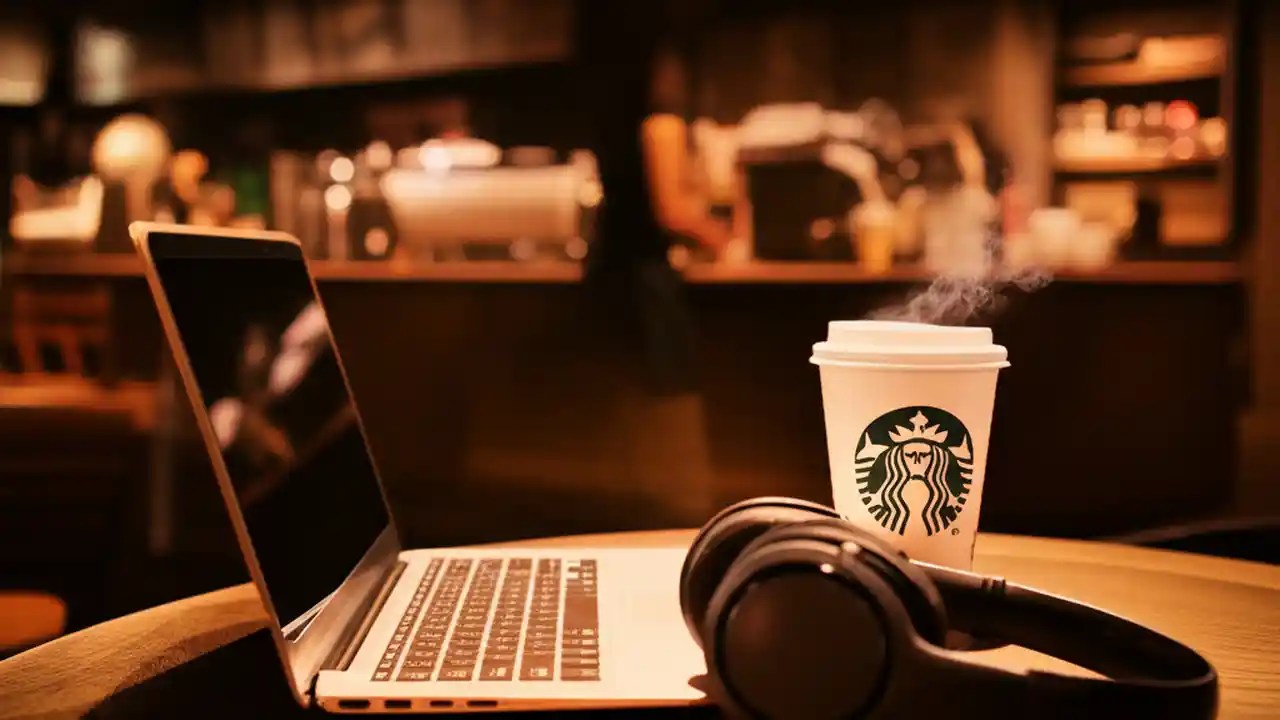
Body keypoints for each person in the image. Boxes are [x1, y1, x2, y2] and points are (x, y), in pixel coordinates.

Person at [576, 5, 727, 525]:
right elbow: (674, 210)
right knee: (671, 424)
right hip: (645, 282)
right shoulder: (661, 118)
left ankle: (637, 530)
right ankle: (681, 533)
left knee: (627, 433)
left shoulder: (609, 107)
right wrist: (725, 239)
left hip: (609, 271)